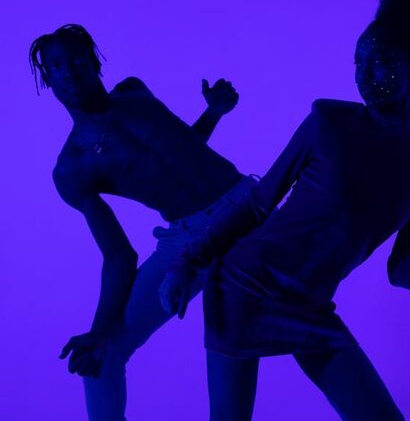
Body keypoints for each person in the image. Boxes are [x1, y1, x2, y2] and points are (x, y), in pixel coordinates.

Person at [159, 0, 410, 420]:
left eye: (379, 62)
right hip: (243, 285)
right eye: (357, 62)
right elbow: (258, 203)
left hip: (311, 308)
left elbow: (402, 270)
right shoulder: (327, 120)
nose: (364, 76)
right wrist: (187, 263)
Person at [29, 24, 255, 421]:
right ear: (47, 78)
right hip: (185, 239)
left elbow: (181, 148)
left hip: (245, 208)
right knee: (102, 356)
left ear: (94, 60)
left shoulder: (134, 92)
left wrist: (213, 113)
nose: (69, 71)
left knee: (286, 323)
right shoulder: (72, 168)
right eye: (57, 66)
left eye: (76, 59)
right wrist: (99, 331)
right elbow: (118, 255)